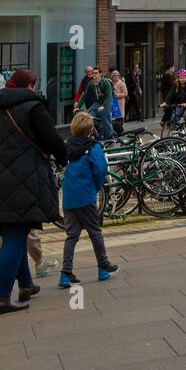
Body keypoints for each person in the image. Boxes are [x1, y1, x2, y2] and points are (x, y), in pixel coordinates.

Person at [0, 68, 68, 316]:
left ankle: (26, 285)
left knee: (15, 233)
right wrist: (65, 159)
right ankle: (1, 298)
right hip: (22, 183)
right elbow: (53, 140)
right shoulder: (33, 108)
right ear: (30, 86)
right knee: (14, 237)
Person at [59, 111, 118, 288]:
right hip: (86, 196)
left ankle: (65, 273)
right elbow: (101, 169)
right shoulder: (93, 147)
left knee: (71, 236)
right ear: (90, 130)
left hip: (69, 198)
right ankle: (103, 266)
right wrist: (96, 186)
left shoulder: (67, 147)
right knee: (95, 231)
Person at [76, 67, 113, 141]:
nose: (94, 75)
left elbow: (109, 96)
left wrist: (103, 106)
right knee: (90, 118)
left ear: (100, 74)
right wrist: (78, 107)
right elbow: (84, 95)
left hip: (106, 103)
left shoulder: (106, 83)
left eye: (96, 73)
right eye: (93, 73)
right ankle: (97, 137)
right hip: (97, 103)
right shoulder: (91, 84)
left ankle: (109, 138)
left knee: (105, 120)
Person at [110, 69, 128, 136]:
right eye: (114, 76)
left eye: (117, 76)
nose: (116, 77)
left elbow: (125, 93)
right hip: (113, 104)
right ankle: (116, 133)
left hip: (120, 104)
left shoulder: (122, 84)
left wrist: (117, 95)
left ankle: (120, 133)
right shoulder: (111, 83)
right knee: (114, 119)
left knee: (120, 119)